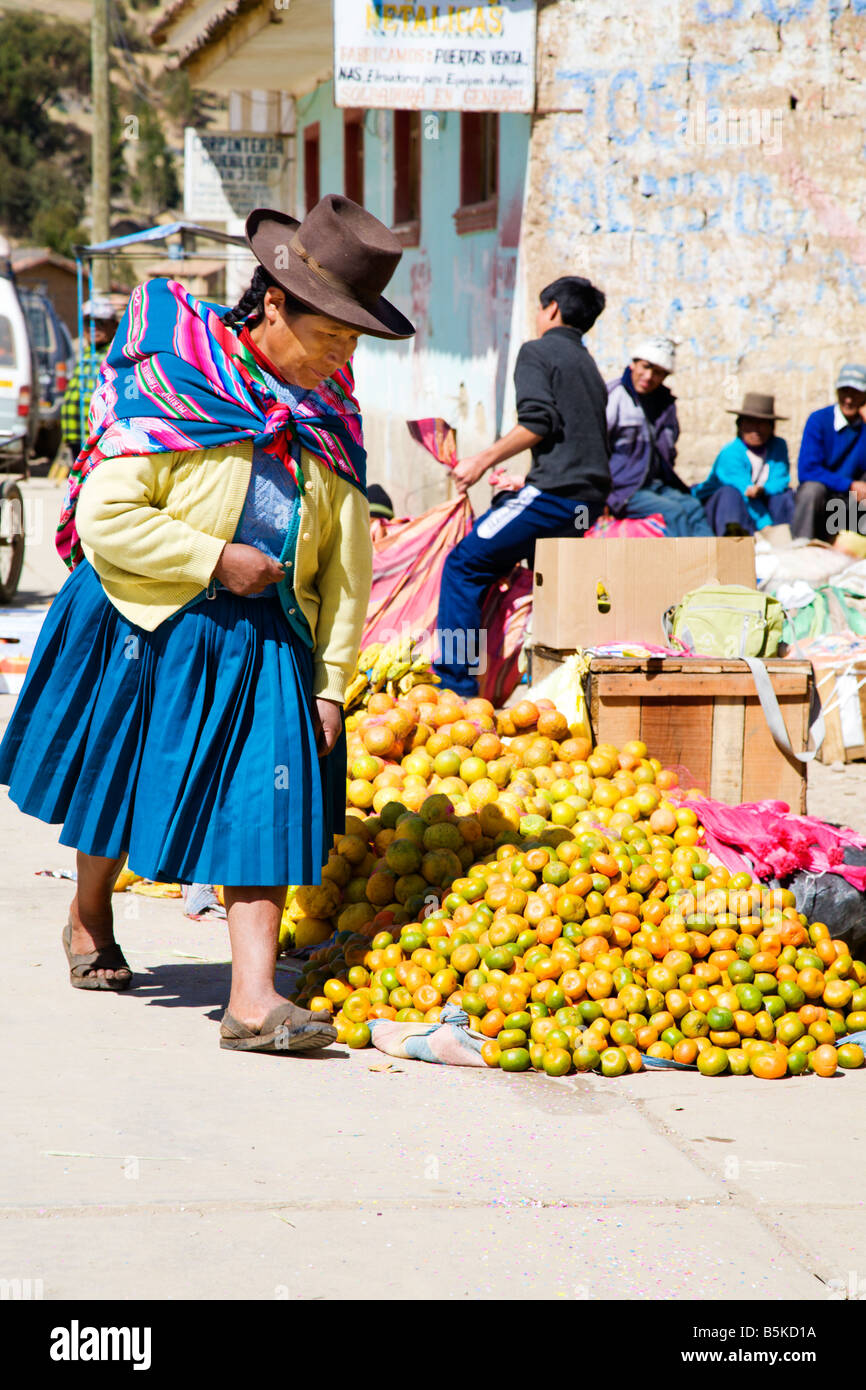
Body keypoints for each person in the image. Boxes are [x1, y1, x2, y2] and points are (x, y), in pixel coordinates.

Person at [0, 194, 414, 1056]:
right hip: (144, 619)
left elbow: (346, 573)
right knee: (116, 790)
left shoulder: (327, 419)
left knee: (269, 803)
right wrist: (212, 558)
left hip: (265, 638)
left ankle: (254, 1001)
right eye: (329, 335)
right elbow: (107, 518)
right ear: (272, 303)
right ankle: (87, 917)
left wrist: (332, 686)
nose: (340, 357)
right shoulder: (183, 382)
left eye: (352, 341)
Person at [432, 275, 610, 697]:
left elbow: (538, 422)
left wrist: (480, 461)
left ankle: (457, 687)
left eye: (538, 307)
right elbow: (575, 441)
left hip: (553, 498)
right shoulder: (588, 365)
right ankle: (540, 682)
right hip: (585, 503)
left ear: (551, 309)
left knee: (463, 566)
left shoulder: (537, 351)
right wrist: (526, 482)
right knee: (537, 577)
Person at [606, 337, 713, 537]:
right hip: (623, 489)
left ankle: (713, 564)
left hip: (654, 485)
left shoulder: (665, 405)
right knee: (674, 513)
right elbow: (594, 449)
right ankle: (686, 566)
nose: (649, 376)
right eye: (645, 367)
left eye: (658, 373)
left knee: (693, 507)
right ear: (633, 364)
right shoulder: (614, 397)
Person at [693, 391, 795, 535]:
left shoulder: (778, 446)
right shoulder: (730, 453)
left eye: (762, 424)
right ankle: (736, 542)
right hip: (729, 511)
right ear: (740, 425)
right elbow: (744, 492)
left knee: (785, 496)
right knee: (730, 494)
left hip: (761, 507)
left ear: (772, 427)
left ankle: (788, 538)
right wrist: (766, 527)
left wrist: (763, 490)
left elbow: (780, 480)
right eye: (750, 423)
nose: (756, 430)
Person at [792, 364, 866, 541]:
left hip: (851, 505)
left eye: (855, 393)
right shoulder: (819, 420)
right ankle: (802, 545)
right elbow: (807, 470)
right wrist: (848, 484)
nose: (848, 400)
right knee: (811, 489)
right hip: (825, 498)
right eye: (844, 392)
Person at [60, 298, 120, 458]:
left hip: (96, 434)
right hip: (76, 433)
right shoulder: (86, 353)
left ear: (114, 326)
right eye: (88, 323)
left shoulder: (113, 356)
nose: (94, 328)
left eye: (101, 322)